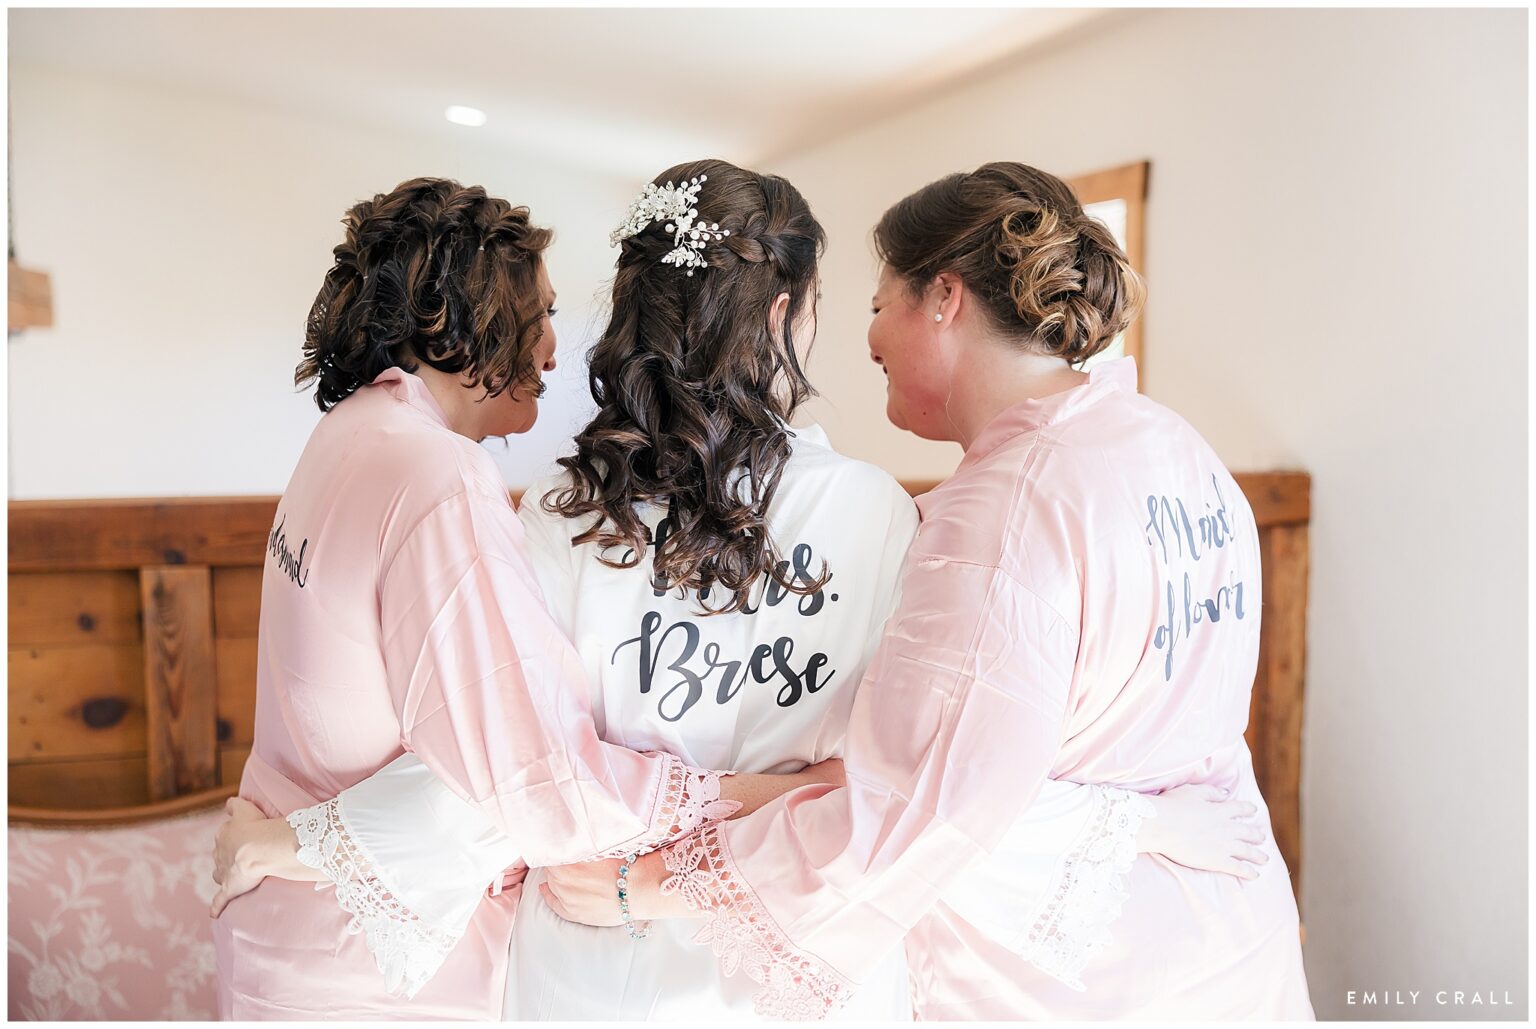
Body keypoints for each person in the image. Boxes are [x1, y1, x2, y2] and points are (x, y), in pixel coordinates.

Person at [212, 162, 1268, 1020]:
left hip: (586, 967)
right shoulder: (884, 517)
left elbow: (495, 783)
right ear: (782, 315)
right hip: (791, 982)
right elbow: (912, 788)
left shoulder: (548, 517)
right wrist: (1136, 822)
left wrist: (298, 839)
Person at [543, 161, 1315, 1021]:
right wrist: (1146, 823)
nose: (867, 341)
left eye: (878, 306)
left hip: (1082, 975)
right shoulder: (1179, 451)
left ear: (943, 298)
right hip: (1233, 942)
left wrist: (645, 886)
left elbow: (917, 811)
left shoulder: (1003, 513)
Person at [211, 176, 841, 1020]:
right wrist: (754, 794)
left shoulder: (352, 431)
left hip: (283, 934)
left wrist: (282, 841)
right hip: (368, 968)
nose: (554, 351)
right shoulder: (437, 478)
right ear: (457, 322)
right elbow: (531, 781)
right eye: (537, 313)